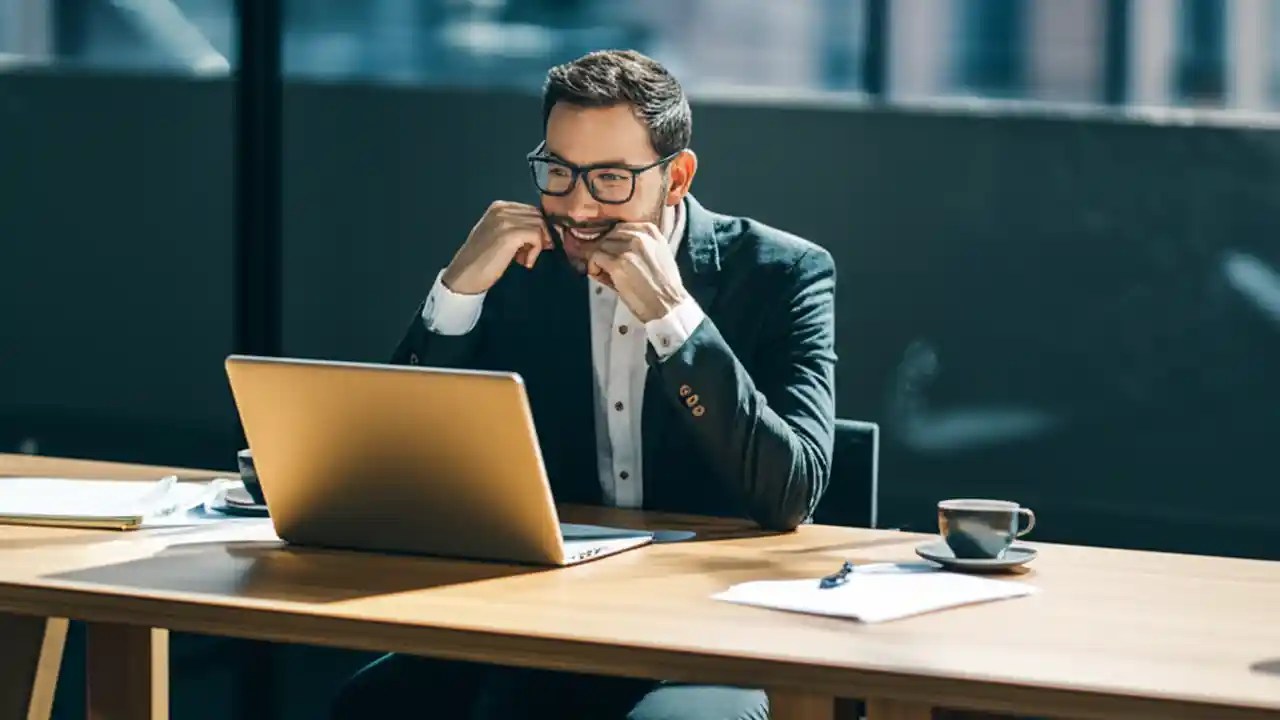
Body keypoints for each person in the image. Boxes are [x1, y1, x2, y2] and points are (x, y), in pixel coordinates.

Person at [331, 48, 836, 720]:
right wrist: (456, 291)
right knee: (375, 705)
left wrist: (673, 314)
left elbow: (791, 490)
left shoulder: (782, 274)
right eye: (558, 172)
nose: (576, 206)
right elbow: (390, 458)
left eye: (609, 179)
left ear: (677, 176)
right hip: (542, 621)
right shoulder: (519, 266)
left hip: (709, 630)